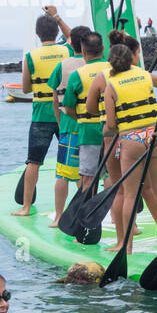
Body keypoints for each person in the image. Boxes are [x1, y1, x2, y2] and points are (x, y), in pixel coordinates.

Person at [94, 38, 157, 253]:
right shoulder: (145, 75)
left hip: (132, 139)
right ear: (132, 59)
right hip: (155, 135)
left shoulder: (111, 86)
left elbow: (110, 125)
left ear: (111, 64)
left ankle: (125, 245)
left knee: (129, 194)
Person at [14, 9, 73, 216]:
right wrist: (57, 16)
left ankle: (26, 207)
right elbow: (73, 37)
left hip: (41, 114)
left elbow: (25, 89)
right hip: (65, 113)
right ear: (56, 32)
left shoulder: (31, 56)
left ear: (38, 34)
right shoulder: (66, 51)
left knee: (34, 161)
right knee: (72, 161)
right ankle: (74, 206)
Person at [46, 24, 91, 225]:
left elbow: (55, 100)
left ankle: (58, 216)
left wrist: (59, 122)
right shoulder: (98, 65)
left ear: (70, 42)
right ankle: (88, 214)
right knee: (91, 174)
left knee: (63, 174)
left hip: (68, 127)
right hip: (93, 127)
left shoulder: (62, 66)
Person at [62, 32, 110, 196]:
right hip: (113, 128)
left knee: (88, 177)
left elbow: (68, 108)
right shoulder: (114, 69)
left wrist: (81, 119)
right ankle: (115, 215)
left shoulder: (77, 75)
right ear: (103, 48)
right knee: (111, 174)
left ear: (83, 52)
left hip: (88, 130)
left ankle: (88, 218)